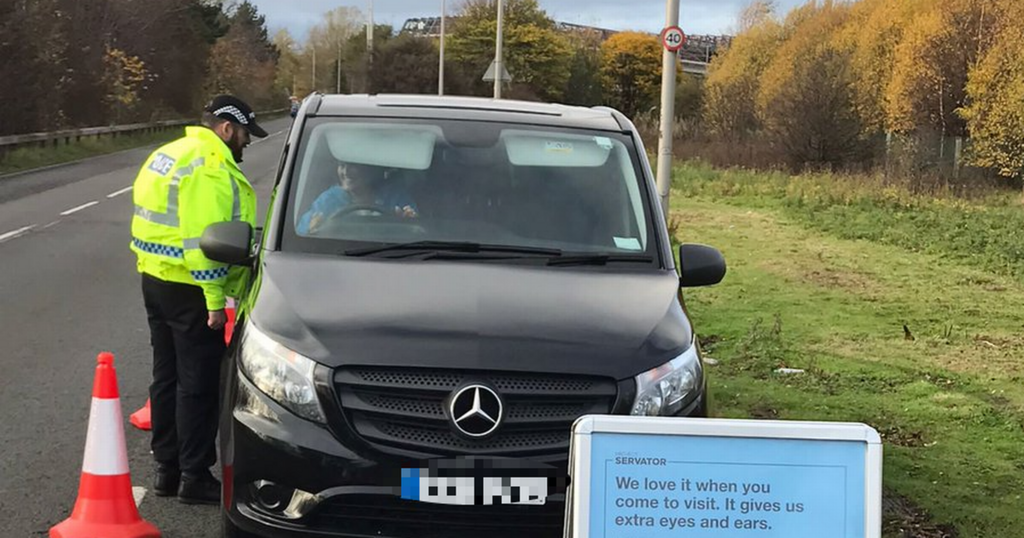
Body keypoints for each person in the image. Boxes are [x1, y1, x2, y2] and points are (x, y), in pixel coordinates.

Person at [130, 95, 266, 505]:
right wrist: (215, 301)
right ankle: (194, 475)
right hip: (193, 287)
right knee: (198, 383)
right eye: (244, 134)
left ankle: (166, 470)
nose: (246, 143)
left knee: (166, 376)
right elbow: (205, 243)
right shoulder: (208, 167)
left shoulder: (170, 153)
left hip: (155, 279)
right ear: (226, 128)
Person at [296, 161, 418, 235]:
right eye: (342, 165)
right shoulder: (328, 200)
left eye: (353, 166)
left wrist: (407, 221)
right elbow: (303, 230)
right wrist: (314, 226)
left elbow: (417, 228)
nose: (346, 172)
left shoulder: (394, 195)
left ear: (369, 169)